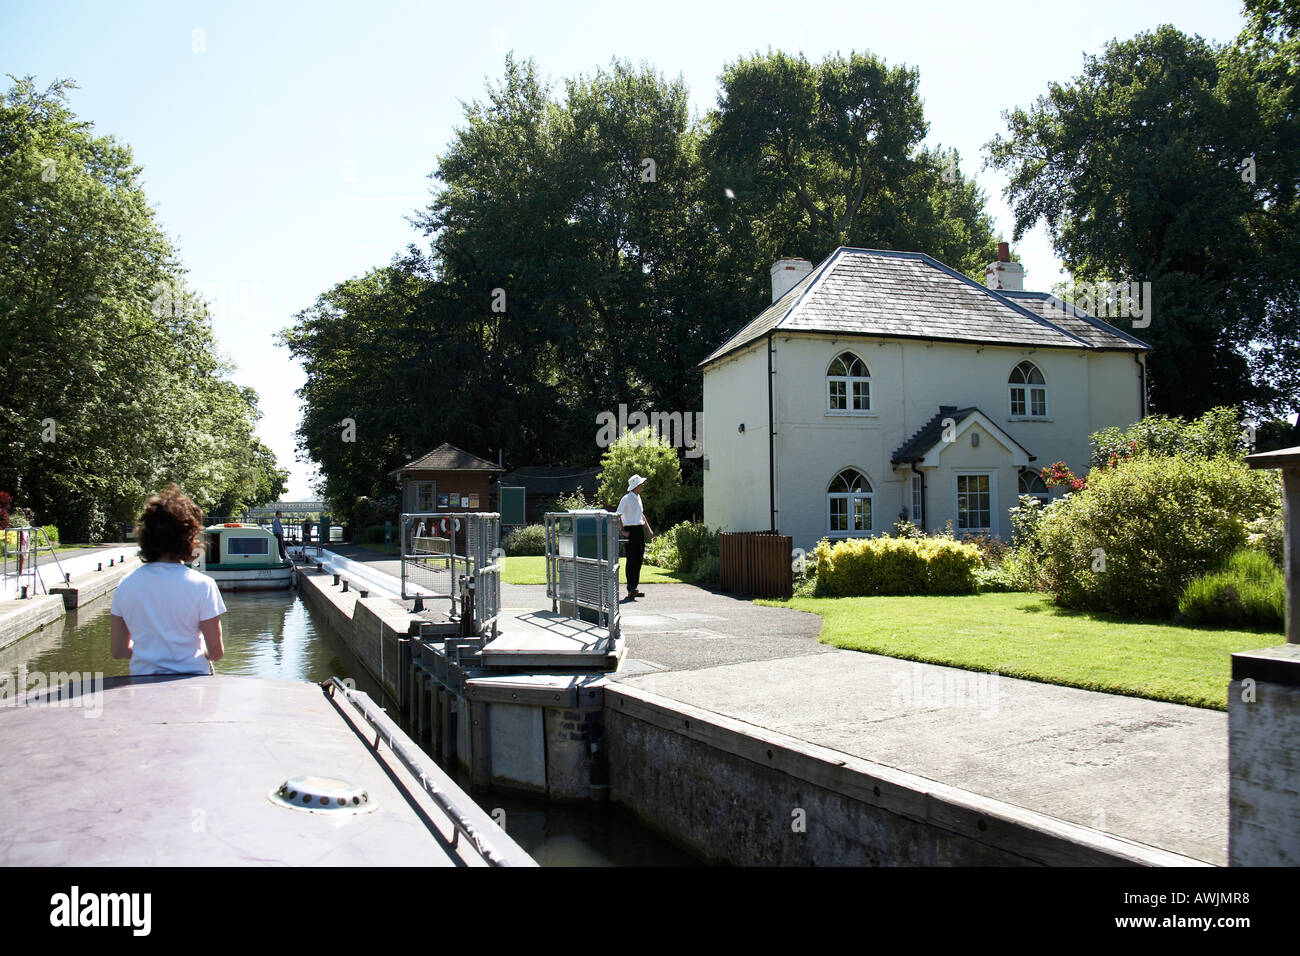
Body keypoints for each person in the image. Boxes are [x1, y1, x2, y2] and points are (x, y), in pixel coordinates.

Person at [110, 485, 225, 676]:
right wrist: (188, 654)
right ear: (189, 539)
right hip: (192, 685)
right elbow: (216, 653)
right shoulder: (203, 586)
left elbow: (118, 650)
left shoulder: (126, 584)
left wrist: (150, 653)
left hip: (142, 685)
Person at [615, 474, 654, 600]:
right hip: (630, 530)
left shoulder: (638, 498)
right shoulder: (626, 499)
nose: (642, 486)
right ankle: (631, 588)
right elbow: (618, 515)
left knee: (638, 559)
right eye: (641, 484)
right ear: (636, 486)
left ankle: (634, 588)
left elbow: (641, 515)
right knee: (631, 559)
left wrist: (649, 529)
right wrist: (623, 531)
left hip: (639, 530)